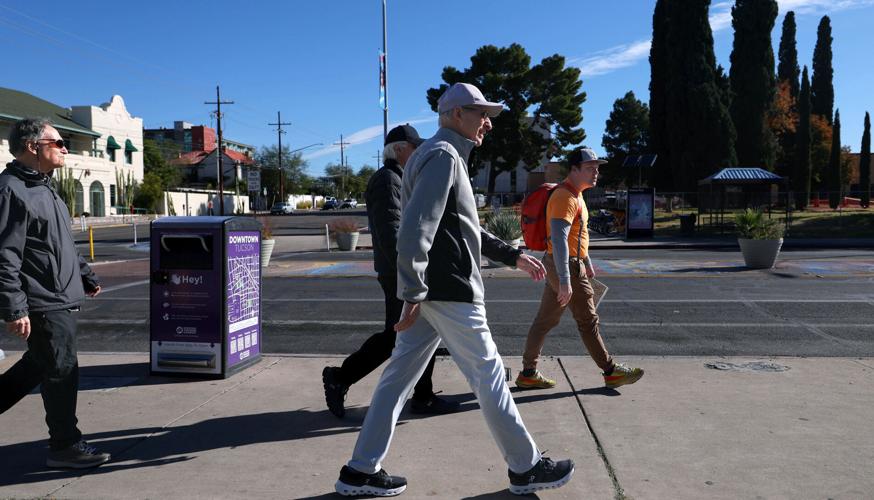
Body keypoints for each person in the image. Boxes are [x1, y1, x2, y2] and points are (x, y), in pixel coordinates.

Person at [335, 83, 574, 497]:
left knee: (397, 379)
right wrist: (410, 292)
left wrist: (510, 255)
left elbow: (461, 226)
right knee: (489, 374)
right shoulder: (444, 155)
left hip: (432, 292)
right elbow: (416, 227)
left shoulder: (437, 156)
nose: (486, 122)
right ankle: (526, 466)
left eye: (487, 114)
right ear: (451, 115)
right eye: (478, 112)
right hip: (448, 291)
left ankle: (360, 470)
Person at [322, 124, 459, 418]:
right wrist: (412, 269)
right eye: (414, 147)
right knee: (399, 335)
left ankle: (422, 396)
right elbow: (392, 233)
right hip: (399, 272)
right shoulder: (388, 181)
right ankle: (340, 377)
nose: (419, 152)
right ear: (399, 149)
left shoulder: (399, 178)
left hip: (405, 270)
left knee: (419, 331)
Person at [0, 118, 110, 469]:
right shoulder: (11, 190)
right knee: (62, 369)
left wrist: (85, 275)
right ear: (33, 147)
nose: (65, 147)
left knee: (38, 365)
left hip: (60, 294)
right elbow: (5, 254)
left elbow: (59, 242)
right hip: (41, 299)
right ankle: (65, 446)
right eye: (58, 142)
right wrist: (15, 308)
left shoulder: (45, 188)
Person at [515, 148, 644, 390]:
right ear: (573, 169)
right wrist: (565, 279)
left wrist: (587, 263)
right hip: (566, 267)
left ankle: (528, 373)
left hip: (565, 264)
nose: (596, 172)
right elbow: (560, 238)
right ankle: (610, 371)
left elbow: (577, 237)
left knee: (544, 321)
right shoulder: (565, 197)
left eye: (597, 168)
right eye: (589, 168)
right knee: (588, 321)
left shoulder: (578, 195)